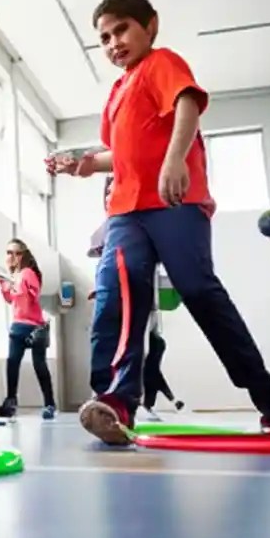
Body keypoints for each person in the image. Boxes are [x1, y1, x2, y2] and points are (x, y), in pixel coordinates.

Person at [49, 0, 270, 445]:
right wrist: (86, 163)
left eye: (121, 30)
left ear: (150, 26)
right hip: (125, 210)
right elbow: (123, 152)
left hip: (176, 202)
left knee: (198, 290)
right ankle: (117, 401)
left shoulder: (160, 62)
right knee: (117, 295)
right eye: (104, 38)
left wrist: (175, 159)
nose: (113, 43)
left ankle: (267, 395)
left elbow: (186, 104)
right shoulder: (118, 91)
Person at [89, 179, 180, 422]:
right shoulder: (102, 230)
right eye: (107, 190)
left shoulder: (141, 222)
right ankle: (102, 396)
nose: (110, 194)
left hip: (137, 288)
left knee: (134, 339)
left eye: (115, 188)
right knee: (101, 334)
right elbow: (100, 261)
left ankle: (127, 400)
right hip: (107, 288)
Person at [0, 239, 57, 419]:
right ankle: (10, 401)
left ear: (23, 255)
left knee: (40, 365)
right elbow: (11, 300)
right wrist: (3, 286)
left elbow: (32, 296)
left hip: (34, 326)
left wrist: (13, 286)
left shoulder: (28, 273)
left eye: (16, 253)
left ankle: (49, 404)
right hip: (18, 324)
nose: (12, 257)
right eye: (9, 252)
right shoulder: (13, 276)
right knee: (12, 363)